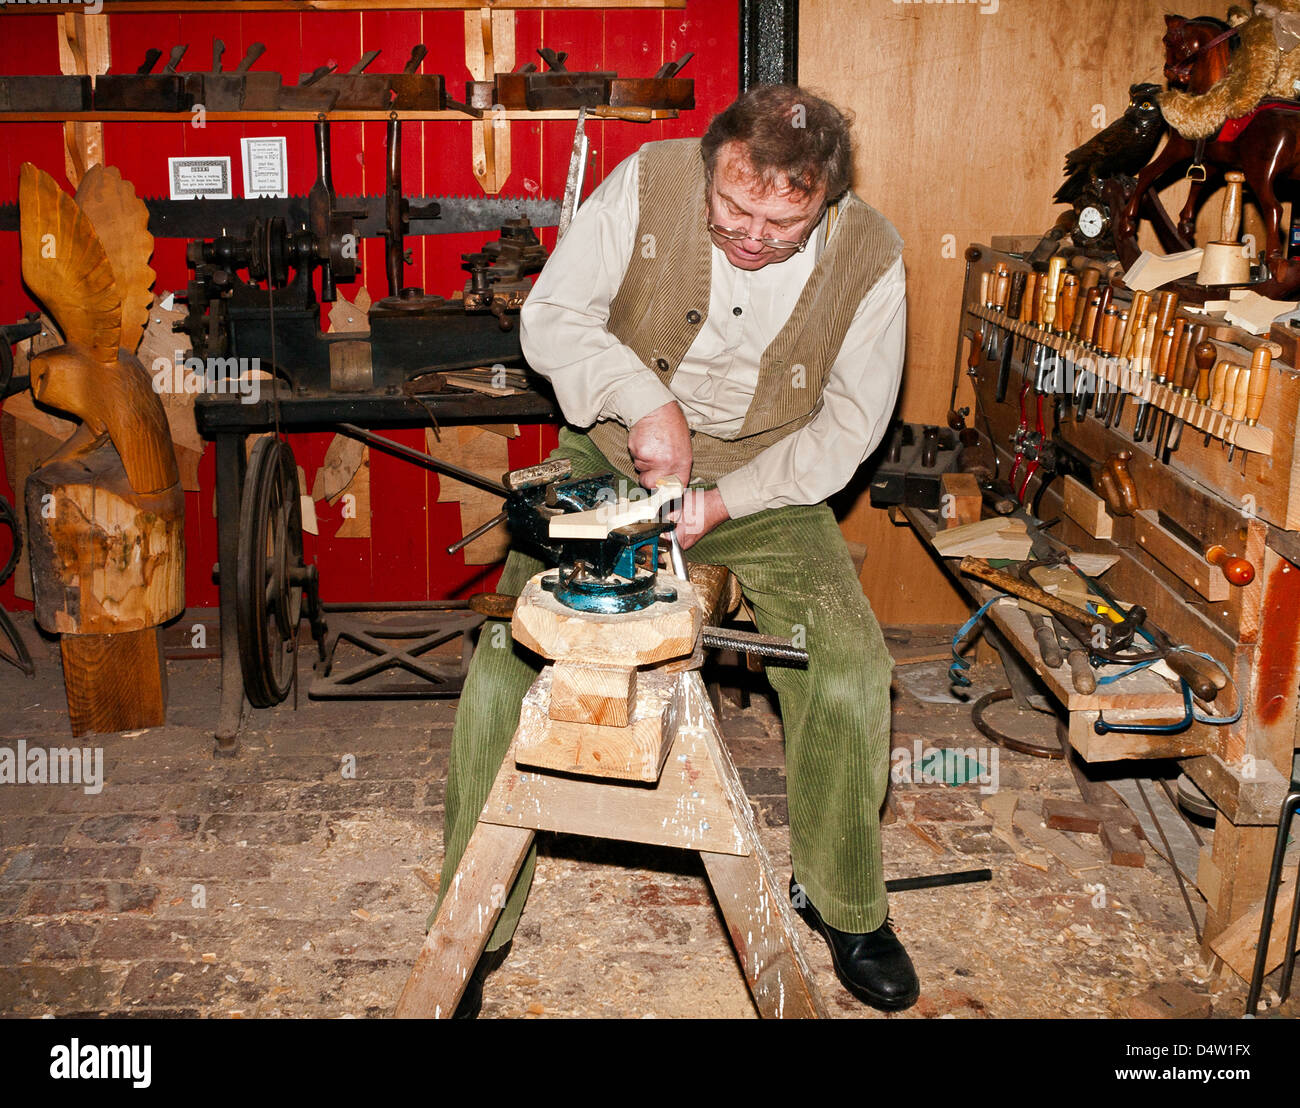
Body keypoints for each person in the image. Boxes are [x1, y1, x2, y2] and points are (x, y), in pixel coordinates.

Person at [436, 83, 917, 1015]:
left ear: (826, 199)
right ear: (712, 166)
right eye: (736, 208)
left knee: (852, 665)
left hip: (770, 481)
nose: (753, 236)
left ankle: (842, 899)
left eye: (786, 221)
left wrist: (725, 500)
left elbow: (853, 425)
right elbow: (552, 319)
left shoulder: (873, 253)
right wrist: (644, 401)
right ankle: (477, 911)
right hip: (615, 455)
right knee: (507, 660)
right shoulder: (649, 182)